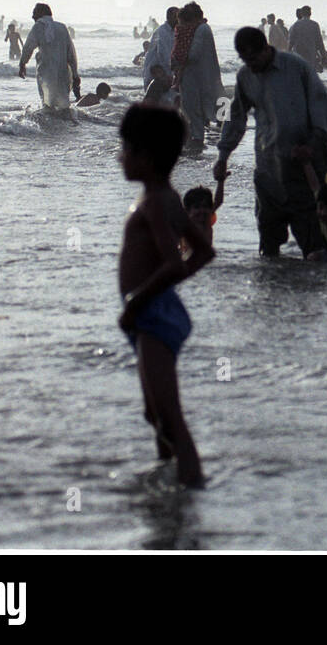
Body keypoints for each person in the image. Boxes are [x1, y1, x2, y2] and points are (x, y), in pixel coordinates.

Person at [116, 105, 213, 487]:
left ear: (147, 156)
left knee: (169, 415)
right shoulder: (166, 196)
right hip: (153, 312)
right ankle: (170, 483)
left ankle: (192, 491)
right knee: (154, 415)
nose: (120, 156)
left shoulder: (156, 202)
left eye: (126, 148)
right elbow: (203, 252)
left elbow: (174, 264)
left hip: (152, 315)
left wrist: (137, 301)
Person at [214, 27, 327, 257]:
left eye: (253, 58)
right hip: (268, 170)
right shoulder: (245, 76)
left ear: (265, 49)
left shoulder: (296, 67)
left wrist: (312, 143)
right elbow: (236, 117)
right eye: (244, 60)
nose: (249, 64)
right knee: (268, 246)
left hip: (304, 168)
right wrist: (223, 156)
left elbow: (322, 106)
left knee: (316, 246)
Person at [172, 2, 223, 153]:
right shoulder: (202, 29)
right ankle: (197, 136)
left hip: (196, 75)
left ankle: (197, 138)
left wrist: (179, 59)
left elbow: (193, 54)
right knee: (194, 106)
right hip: (198, 75)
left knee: (193, 106)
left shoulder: (201, 29)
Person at [19, 3, 80, 109]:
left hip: (46, 73)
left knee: (48, 105)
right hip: (63, 73)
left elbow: (28, 47)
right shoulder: (62, 27)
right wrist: (74, 73)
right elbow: (71, 53)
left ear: (41, 13)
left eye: (34, 13)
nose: (33, 16)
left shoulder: (38, 27)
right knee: (64, 104)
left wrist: (22, 64)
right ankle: (66, 123)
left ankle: (51, 124)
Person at [141, 6, 178, 91]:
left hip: (162, 71)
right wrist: (170, 74)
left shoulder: (173, 31)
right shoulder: (162, 31)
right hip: (156, 71)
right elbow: (163, 54)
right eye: (177, 17)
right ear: (170, 17)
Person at [288, 6, 327, 72]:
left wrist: (288, 53)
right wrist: (323, 56)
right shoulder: (315, 25)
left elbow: (291, 41)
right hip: (311, 55)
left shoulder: (296, 25)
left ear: (301, 14)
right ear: (310, 13)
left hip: (298, 54)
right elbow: (319, 42)